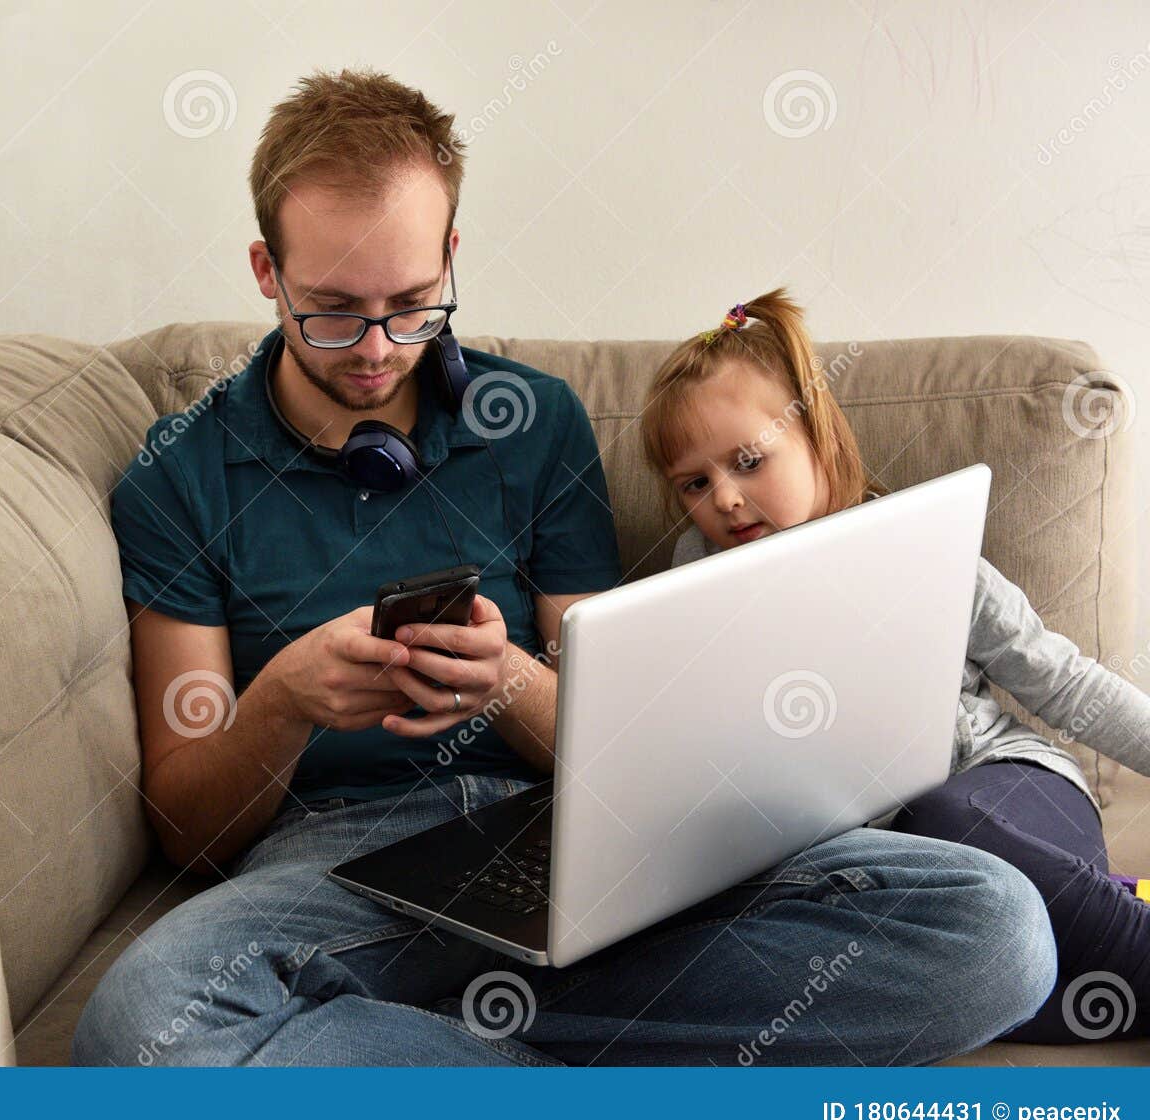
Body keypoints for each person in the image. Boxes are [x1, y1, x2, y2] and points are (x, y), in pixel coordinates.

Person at [71, 71, 1056, 1067]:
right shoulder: (179, 475)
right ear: (266, 271)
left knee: (995, 926)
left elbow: (626, 743)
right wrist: (282, 700)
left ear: (451, 256)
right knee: (142, 1019)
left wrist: (509, 681)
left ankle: (445, 1053)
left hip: (571, 841)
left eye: (412, 305)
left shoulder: (534, 421)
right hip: (339, 866)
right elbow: (191, 832)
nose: (376, 349)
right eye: (331, 311)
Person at [641, 287, 1148, 1044]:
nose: (727, 499)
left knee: (944, 818)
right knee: (908, 958)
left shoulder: (924, 546)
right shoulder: (694, 579)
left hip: (1004, 789)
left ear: (817, 436)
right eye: (695, 483)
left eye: (749, 461)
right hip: (883, 866)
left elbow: (1065, 681)